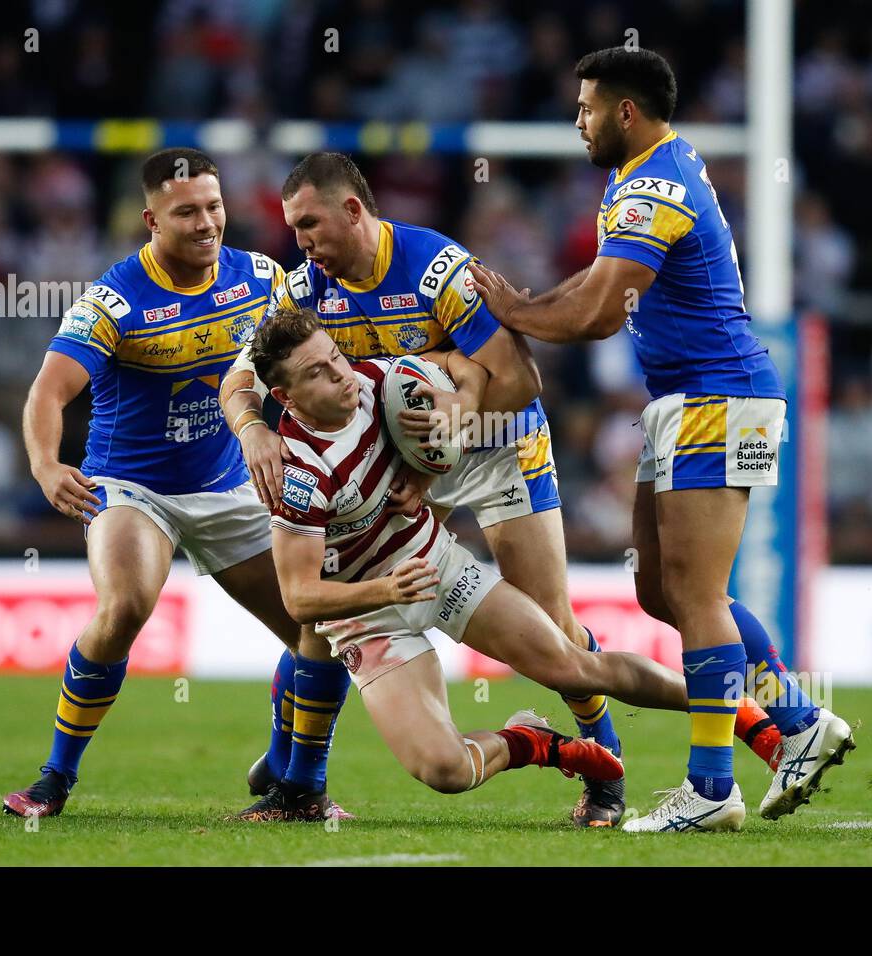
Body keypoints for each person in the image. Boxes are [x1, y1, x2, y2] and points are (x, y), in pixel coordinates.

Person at [220, 152, 782, 827]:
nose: (300, 242)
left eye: (309, 224)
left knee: (559, 635)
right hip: (404, 466)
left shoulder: (435, 269)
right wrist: (253, 428)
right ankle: (296, 781)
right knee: (316, 626)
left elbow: (520, 378)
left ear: (352, 210)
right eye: (292, 229)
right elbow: (243, 377)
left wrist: (455, 414)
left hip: (498, 448)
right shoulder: (303, 293)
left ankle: (615, 765)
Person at [469, 48, 855, 831]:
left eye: (584, 109)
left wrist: (516, 315)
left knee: (699, 595)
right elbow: (592, 287)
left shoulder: (652, 186)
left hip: (719, 394)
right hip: (688, 399)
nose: (575, 122)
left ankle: (712, 788)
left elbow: (599, 314)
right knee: (660, 591)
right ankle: (801, 717)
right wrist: (531, 303)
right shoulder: (646, 174)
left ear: (624, 111)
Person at [251, 307, 712, 814]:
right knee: (446, 772)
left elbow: (462, 361)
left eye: (335, 357)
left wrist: (460, 399)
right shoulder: (295, 473)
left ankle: (739, 711)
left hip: (440, 567)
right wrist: (387, 590)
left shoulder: (379, 380)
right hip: (369, 619)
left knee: (576, 666)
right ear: (285, 398)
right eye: (317, 372)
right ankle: (531, 742)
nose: (342, 374)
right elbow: (299, 600)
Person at [2, 148, 349, 821]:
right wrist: (46, 464)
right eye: (186, 211)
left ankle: (291, 778)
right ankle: (54, 777)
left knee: (322, 623)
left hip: (227, 481)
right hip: (132, 487)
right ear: (150, 220)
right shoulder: (114, 298)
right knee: (127, 605)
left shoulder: (261, 278)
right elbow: (49, 390)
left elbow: (315, 362)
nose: (205, 222)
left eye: (213, 206)